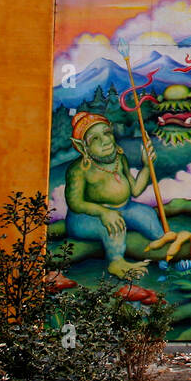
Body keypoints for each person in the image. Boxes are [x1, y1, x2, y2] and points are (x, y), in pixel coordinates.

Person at [64, 112, 164, 277]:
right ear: (83, 147)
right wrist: (104, 212)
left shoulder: (119, 158)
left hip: (124, 207)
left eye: (106, 133)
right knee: (113, 225)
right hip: (86, 217)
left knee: (147, 214)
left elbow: (136, 190)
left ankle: (162, 242)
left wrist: (146, 166)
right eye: (95, 139)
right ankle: (116, 262)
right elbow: (75, 202)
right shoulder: (79, 169)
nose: (105, 140)